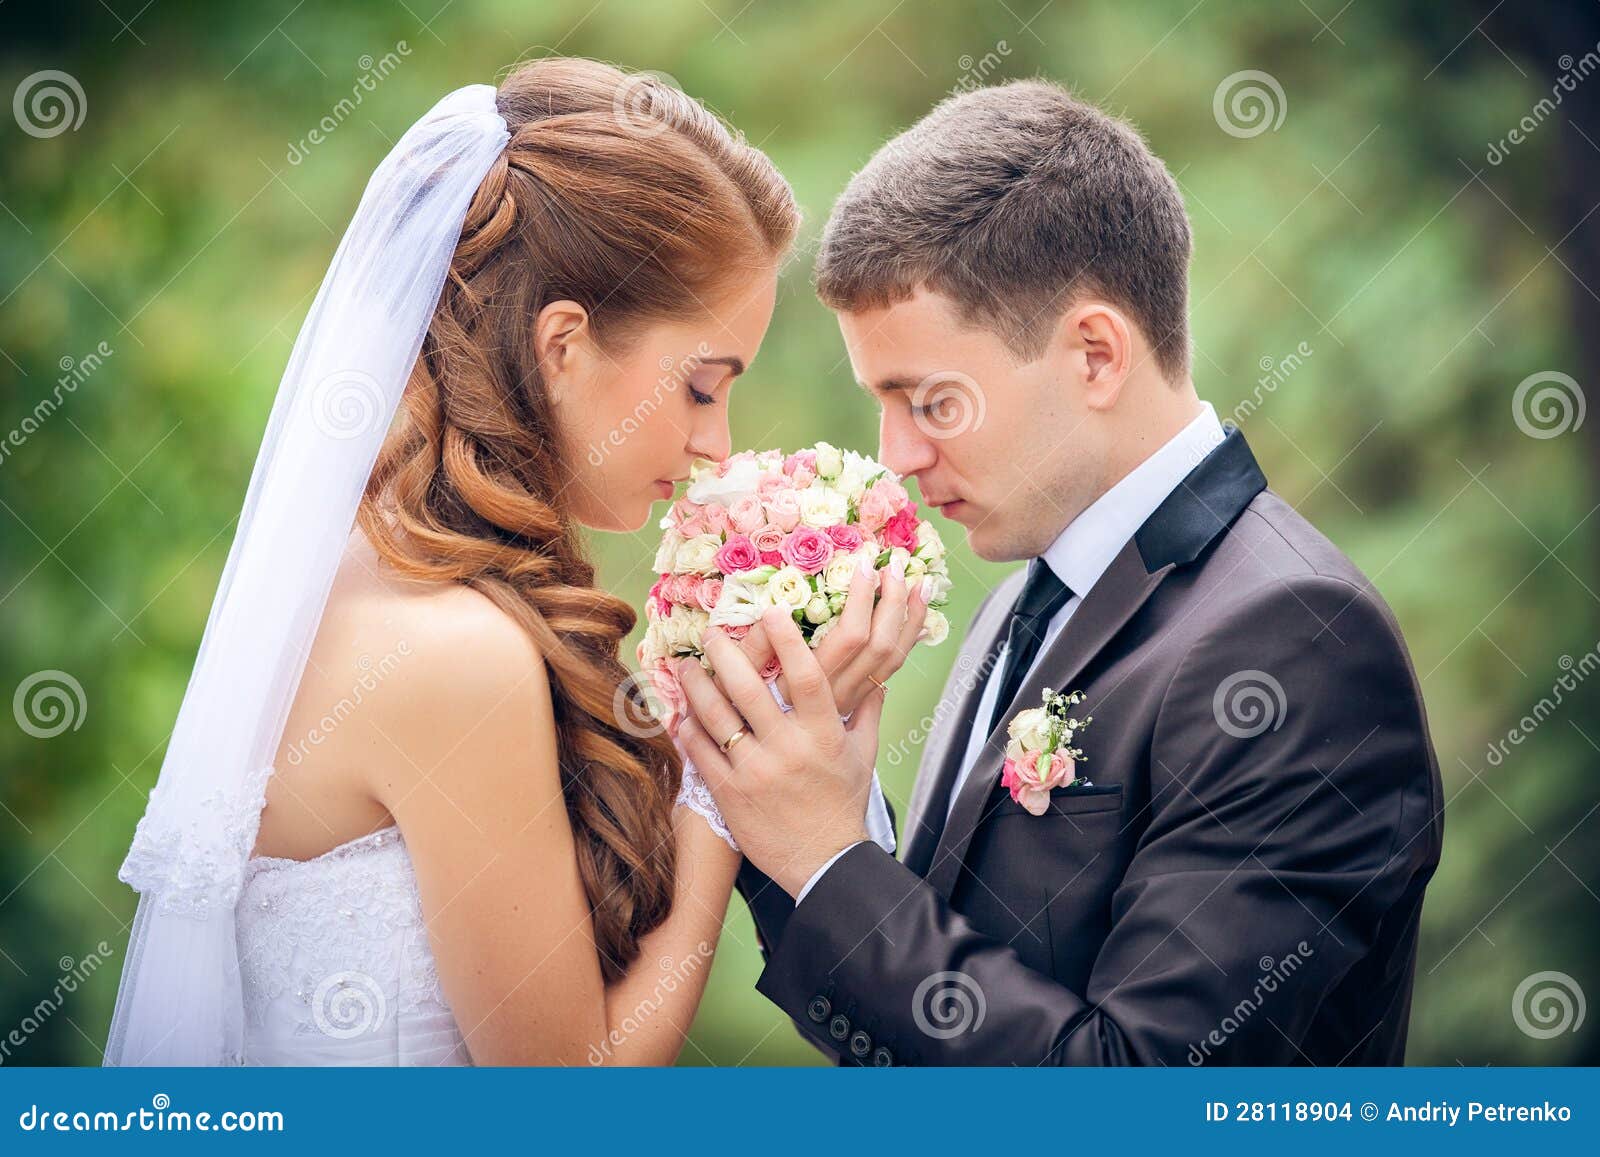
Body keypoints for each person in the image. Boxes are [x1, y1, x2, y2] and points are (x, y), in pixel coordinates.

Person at [679, 79, 1445, 1066]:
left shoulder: (1296, 639)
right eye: (881, 402)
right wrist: (813, 811)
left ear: (1092, 354)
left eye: (929, 401)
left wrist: (828, 862)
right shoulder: (1020, 604)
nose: (896, 455)